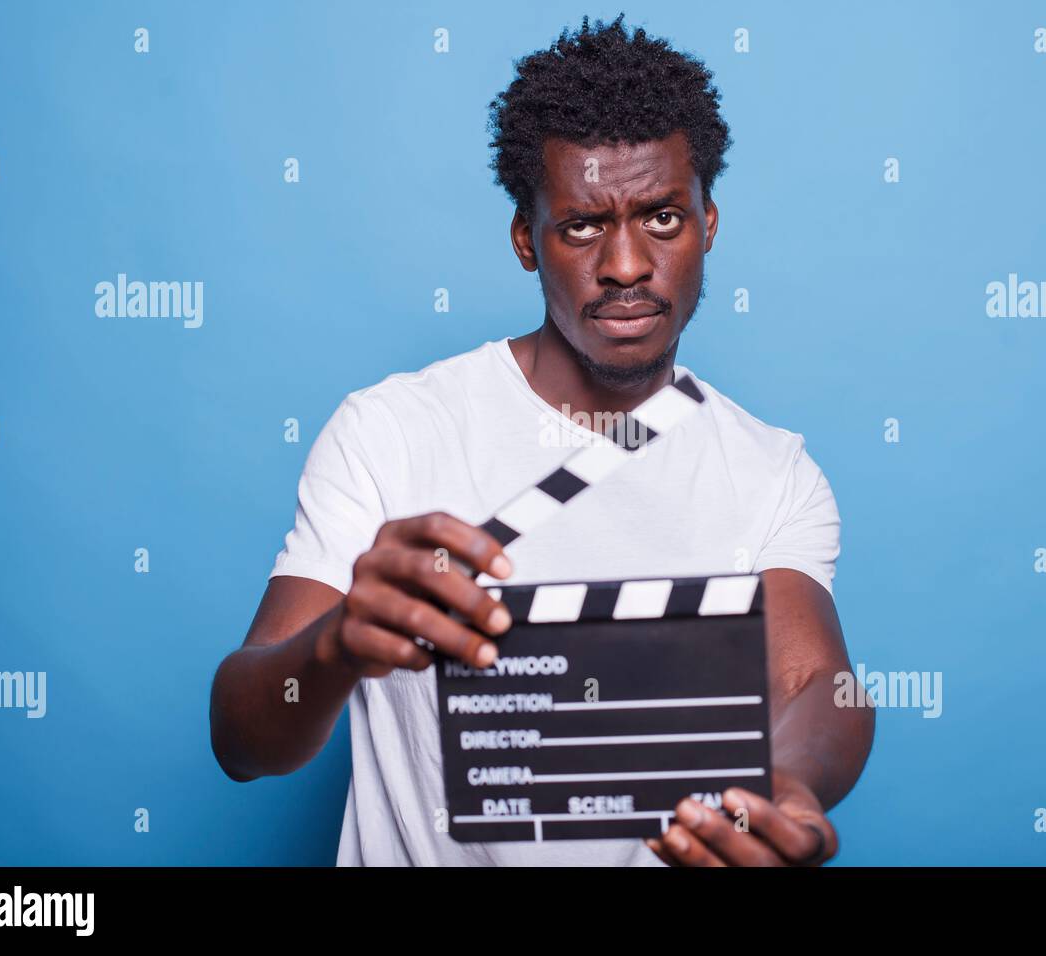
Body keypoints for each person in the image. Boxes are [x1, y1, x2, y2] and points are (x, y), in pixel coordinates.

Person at [209, 14, 874, 866]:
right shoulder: (392, 431)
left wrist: (793, 787)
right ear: (527, 240)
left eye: (663, 218)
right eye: (583, 226)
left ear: (710, 223)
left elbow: (819, 683)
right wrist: (336, 643)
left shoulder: (772, 470)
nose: (628, 264)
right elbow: (239, 738)